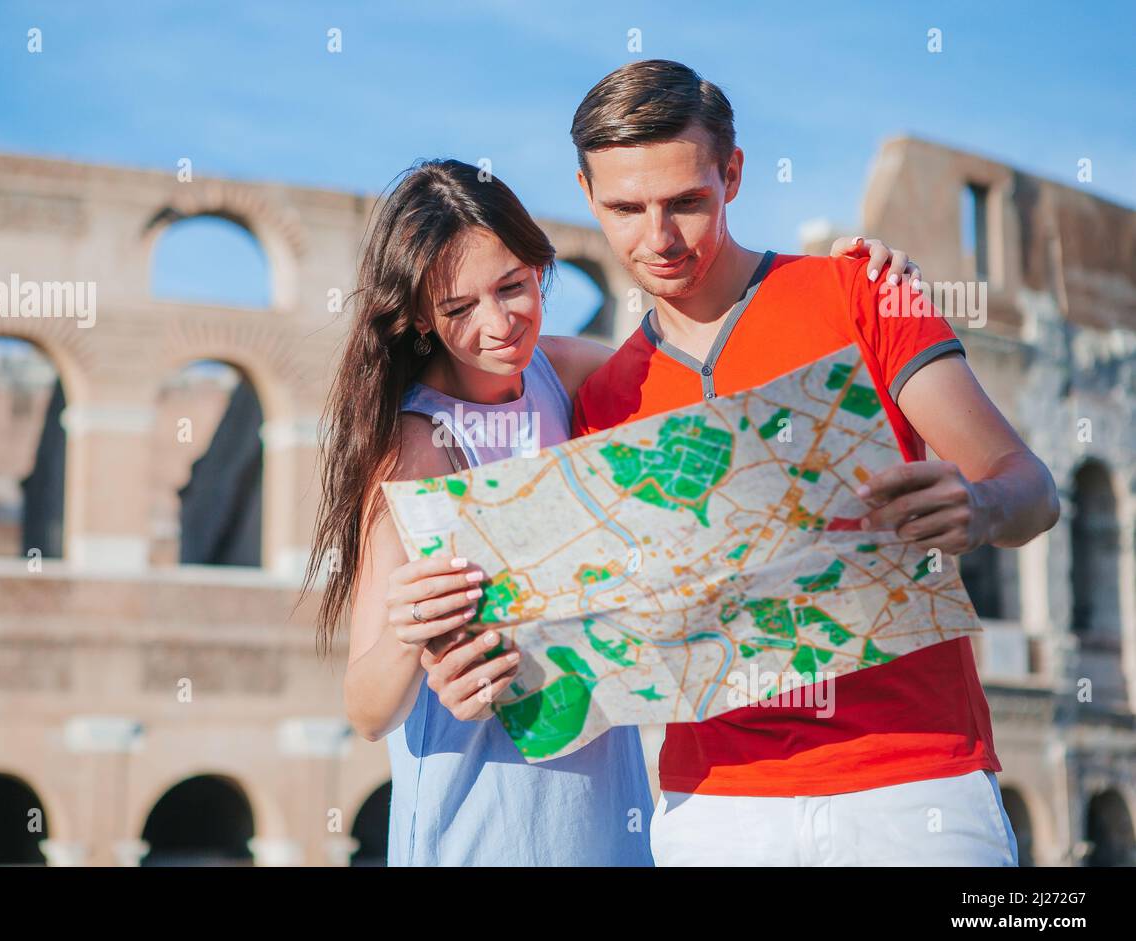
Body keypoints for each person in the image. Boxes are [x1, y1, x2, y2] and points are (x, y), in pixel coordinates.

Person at [304, 156, 919, 866]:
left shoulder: (563, 370)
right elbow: (367, 710)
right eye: (458, 309)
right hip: (481, 805)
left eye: (513, 287)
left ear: (540, 266)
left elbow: (728, 383)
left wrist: (846, 289)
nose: (499, 324)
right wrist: (411, 633)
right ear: (417, 317)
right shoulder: (412, 448)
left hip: (607, 794)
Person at [545, 58, 1057, 865]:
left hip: (914, 782)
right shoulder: (605, 398)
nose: (659, 239)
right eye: (624, 208)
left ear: (734, 174)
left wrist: (984, 507)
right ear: (585, 197)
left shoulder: (865, 293)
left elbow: (1031, 487)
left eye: (686, 202)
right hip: (715, 808)